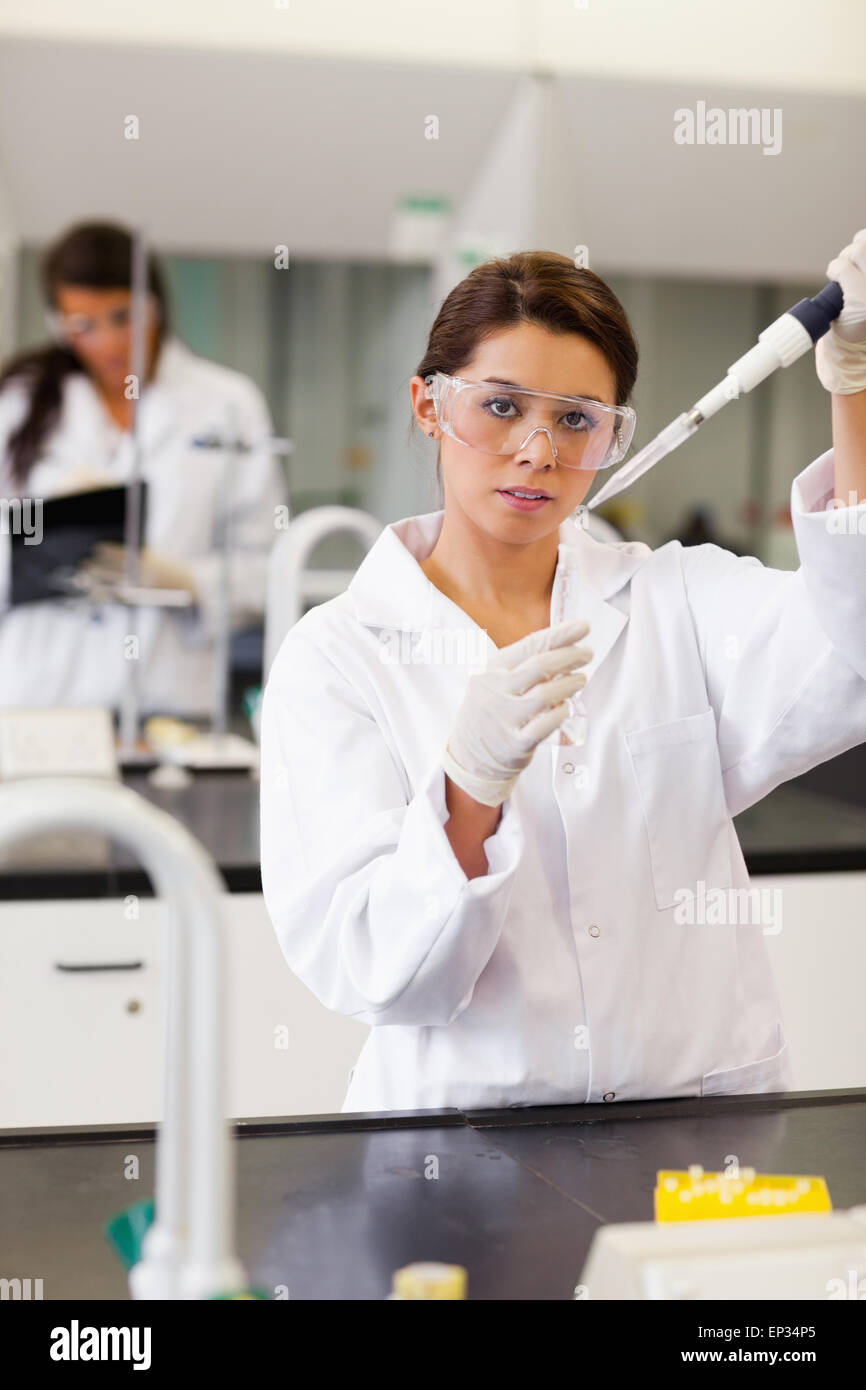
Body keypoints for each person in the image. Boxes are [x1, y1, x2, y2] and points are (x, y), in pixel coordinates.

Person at [260, 238, 866, 1113]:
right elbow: (380, 972)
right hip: (463, 1150)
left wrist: (852, 385)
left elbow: (854, 642)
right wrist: (467, 791)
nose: (538, 451)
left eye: (578, 420)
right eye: (501, 406)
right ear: (428, 407)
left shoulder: (676, 600)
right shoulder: (340, 656)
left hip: (694, 1130)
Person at [0, 221, 287, 715]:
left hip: (167, 697)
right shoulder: (17, 404)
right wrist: (43, 547)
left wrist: (184, 579)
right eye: (82, 325)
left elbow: (269, 566)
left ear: (154, 305)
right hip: (38, 693)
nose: (108, 342)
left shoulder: (227, 404)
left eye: (122, 316)